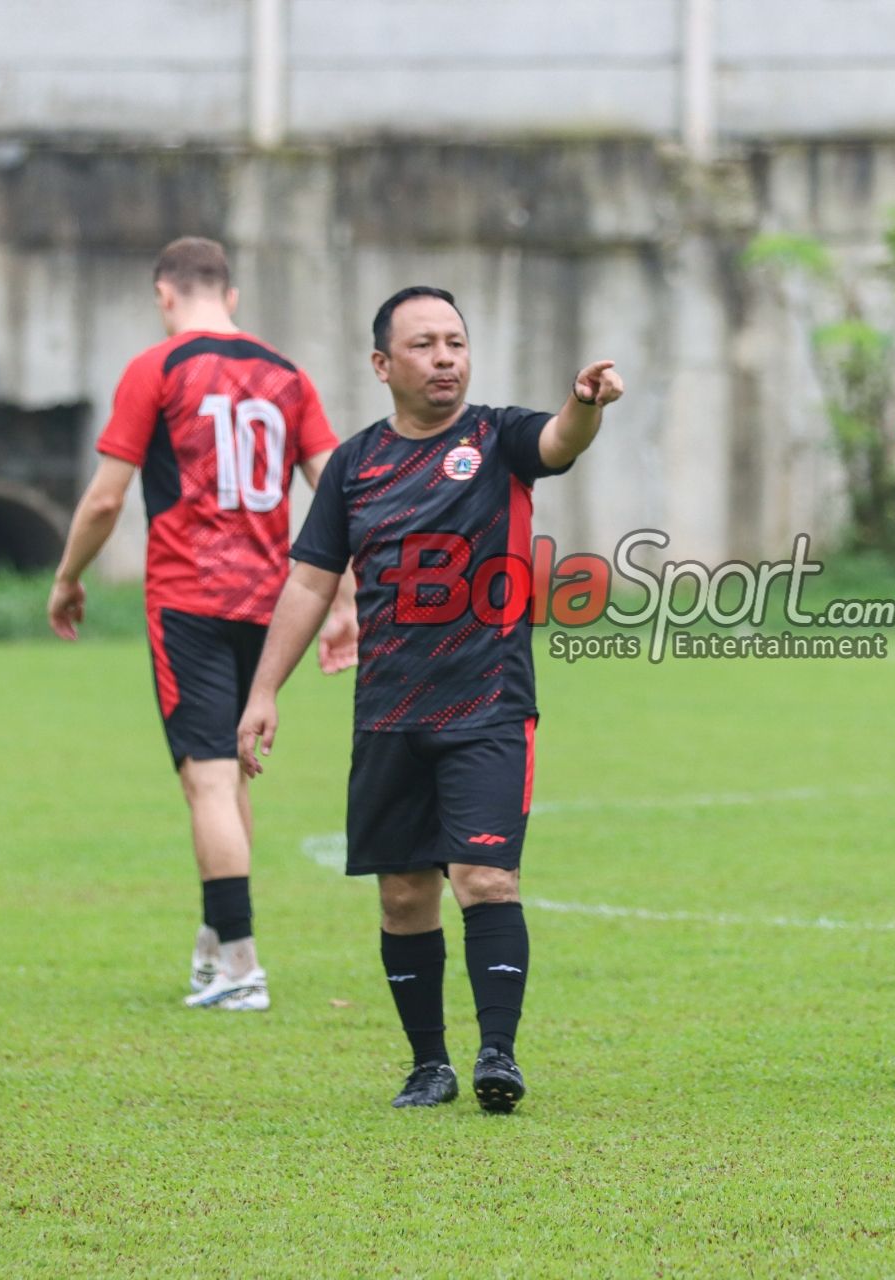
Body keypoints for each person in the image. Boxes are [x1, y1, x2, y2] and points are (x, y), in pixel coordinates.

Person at [236, 286, 621, 1111]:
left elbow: (560, 441)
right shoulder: (353, 464)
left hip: (486, 704)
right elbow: (308, 584)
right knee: (404, 893)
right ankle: (428, 1064)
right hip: (387, 713)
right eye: (423, 345)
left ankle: (498, 1056)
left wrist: (582, 403)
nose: (445, 357)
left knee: (485, 876)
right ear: (383, 365)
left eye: (455, 341)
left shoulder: (497, 436)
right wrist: (264, 690)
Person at [47, 236, 355, 1013]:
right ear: (233, 294)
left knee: (207, 779)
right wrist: (343, 597)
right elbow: (344, 491)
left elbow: (107, 498)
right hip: (273, 601)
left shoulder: (157, 369)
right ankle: (217, 946)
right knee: (228, 775)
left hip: (189, 598)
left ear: (164, 294)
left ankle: (241, 968)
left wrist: (67, 576)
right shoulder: (287, 374)